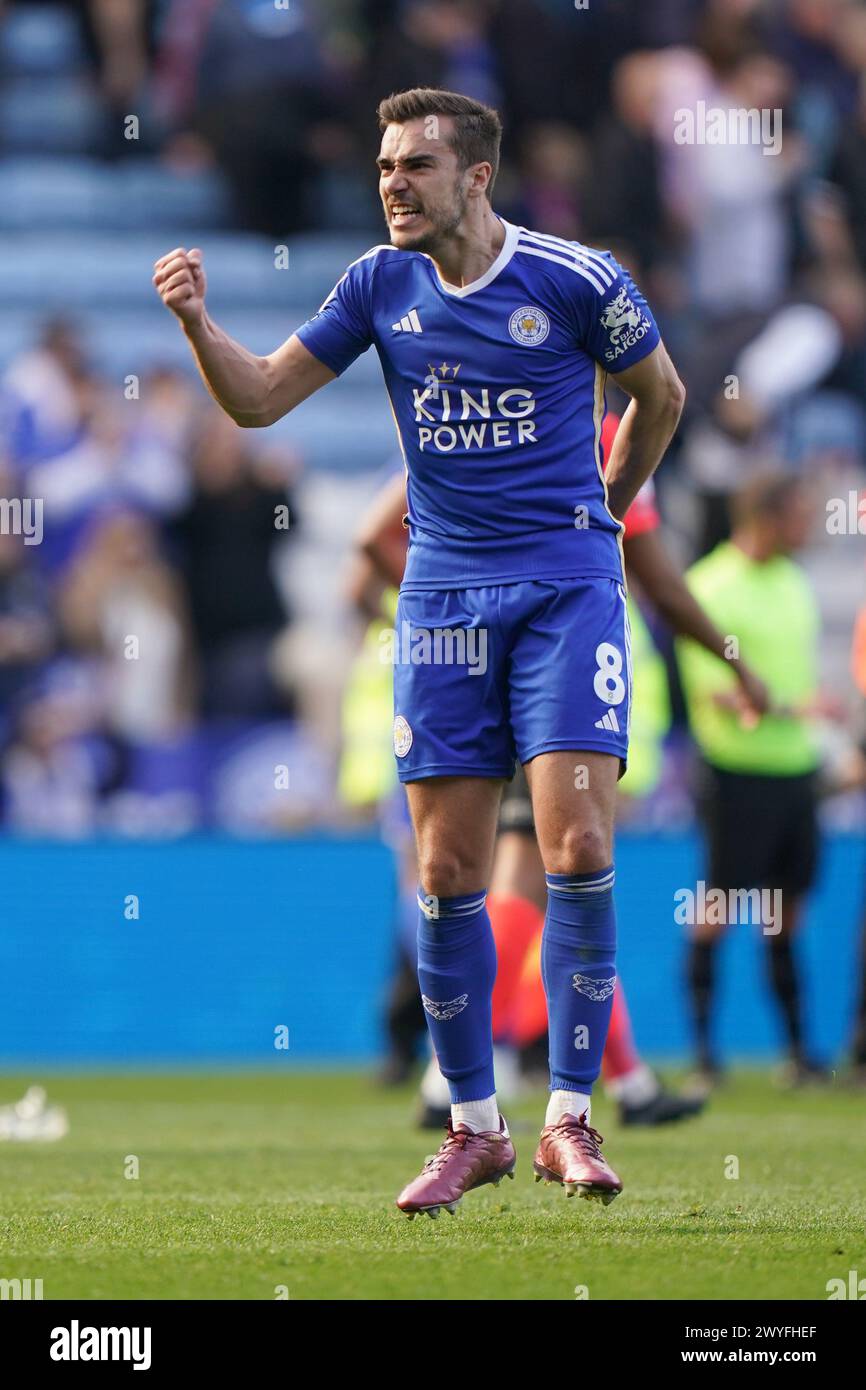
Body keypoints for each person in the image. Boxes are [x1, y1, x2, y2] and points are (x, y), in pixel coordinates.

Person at [154, 87, 686, 1217]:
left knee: (575, 841)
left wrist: (604, 508)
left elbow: (661, 393)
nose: (391, 183)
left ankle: (571, 1119)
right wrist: (200, 328)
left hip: (562, 592)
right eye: (384, 166)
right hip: (441, 601)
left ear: (476, 177)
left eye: (414, 166)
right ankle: (474, 1129)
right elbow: (257, 402)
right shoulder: (374, 285)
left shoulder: (574, 279)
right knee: (444, 874)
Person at [355, 417, 768, 1128]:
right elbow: (660, 582)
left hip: (523, 675)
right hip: (559, 685)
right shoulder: (593, 435)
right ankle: (448, 1077)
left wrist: (446, 618)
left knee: (560, 887)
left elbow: (371, 540)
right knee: (542, 882)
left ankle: (628, 1084)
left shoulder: (475, 417)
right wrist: (732, 662)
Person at [676, 474, 830, 1090]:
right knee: (717, 908)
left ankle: (798, 1054)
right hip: (736, 772)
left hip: (797, 772)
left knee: (787, 914)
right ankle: (705, 1059)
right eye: (800, 514)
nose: (811, 526)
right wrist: (797, 709)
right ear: (767, 516)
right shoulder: (709, 586)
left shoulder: (795, 582)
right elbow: (711, 692)